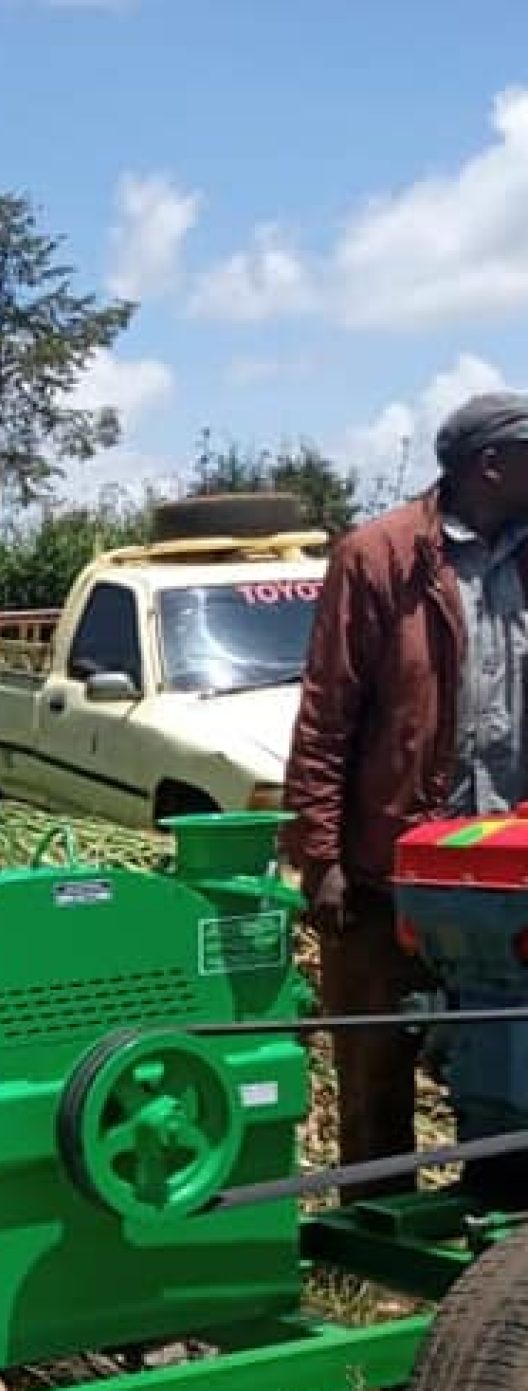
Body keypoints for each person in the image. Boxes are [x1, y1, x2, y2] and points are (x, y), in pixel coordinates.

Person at [285, 390, 528, 1188]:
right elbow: (326, 716)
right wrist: (320, 856)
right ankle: (375, 1229)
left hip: (509, 870)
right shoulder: (382, 556)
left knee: (506, 1054)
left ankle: (497, 1240)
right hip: (394, 869)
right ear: (490, 464)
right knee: (378, 1062)